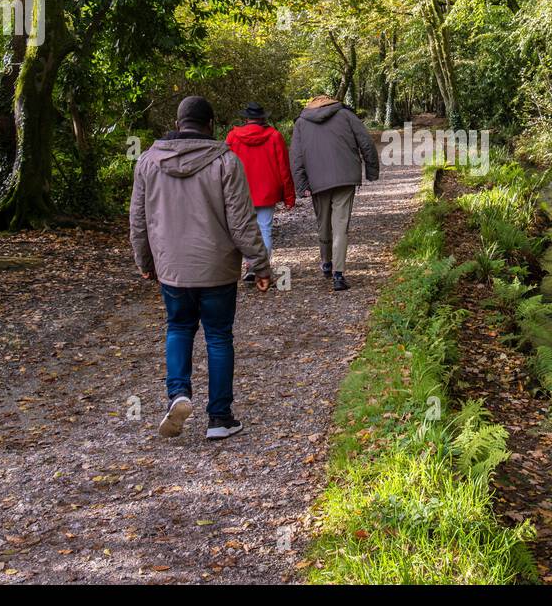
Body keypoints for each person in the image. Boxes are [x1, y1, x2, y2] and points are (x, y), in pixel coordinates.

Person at [130, 95, 271, 441]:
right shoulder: (226, 162)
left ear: (179, 124)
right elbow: (241, 222)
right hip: (217, 268)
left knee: (178, 327)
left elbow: (138, 219)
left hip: (172, 269)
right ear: (211, 125)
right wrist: (260, 264)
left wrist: (144, 260)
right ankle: (220, 418)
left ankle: (178, 394)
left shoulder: (147, 162)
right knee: (219, 337)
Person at [289, 94, 380, 291]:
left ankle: (326, 263)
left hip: (317, 180)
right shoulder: (346, 115)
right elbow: (366, 142)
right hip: (345, 177)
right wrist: (372, 171)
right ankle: (338, 274)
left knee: (323, 223)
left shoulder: (301, 123)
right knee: (340, 225)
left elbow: (296, 156)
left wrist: (302, 185)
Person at [224, 102, 295, 283]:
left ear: (246, 118)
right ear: (263, 118)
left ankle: (250, 267)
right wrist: (289, 197)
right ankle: (262, 270)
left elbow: (223, 166)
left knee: (245, 231)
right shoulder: (274, 136)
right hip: (267, 191)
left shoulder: (233, 137)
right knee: (265, 230)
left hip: (239, 191)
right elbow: (284, 168)